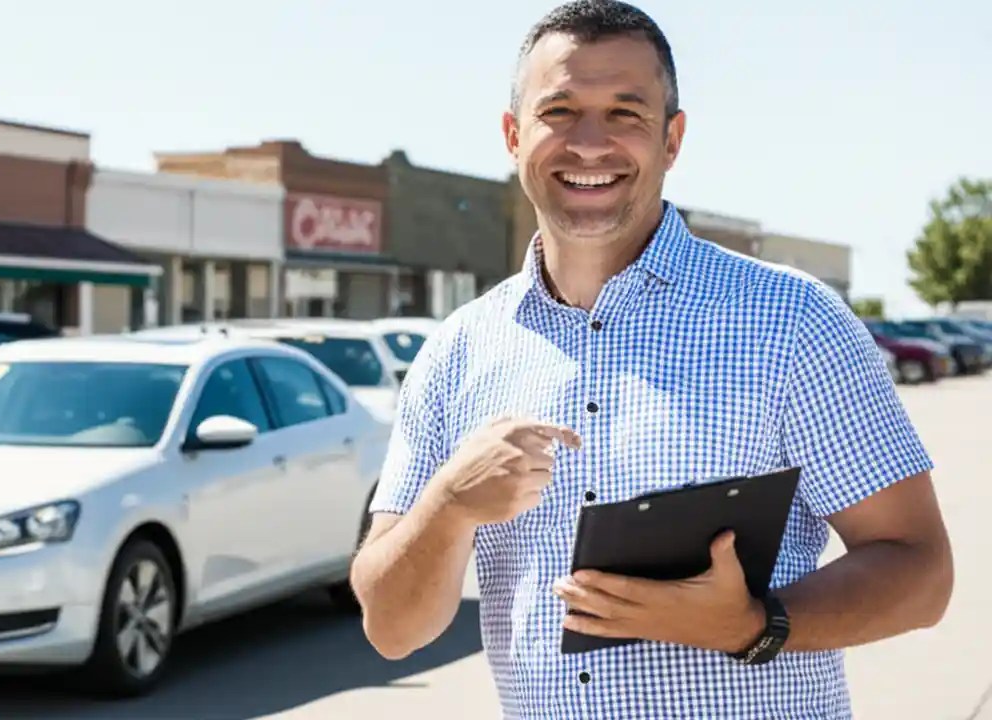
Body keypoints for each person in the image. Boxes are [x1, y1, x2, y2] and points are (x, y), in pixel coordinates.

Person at [348, 1, 954, 718]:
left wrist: (756, 626)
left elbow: (920, 571)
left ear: (673, 139)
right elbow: (391, 629)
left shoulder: (792, 322)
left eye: (626, 114)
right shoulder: (457, 352)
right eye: (561, 110)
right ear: (513, 136)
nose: (591, 143)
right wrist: (448, 506)